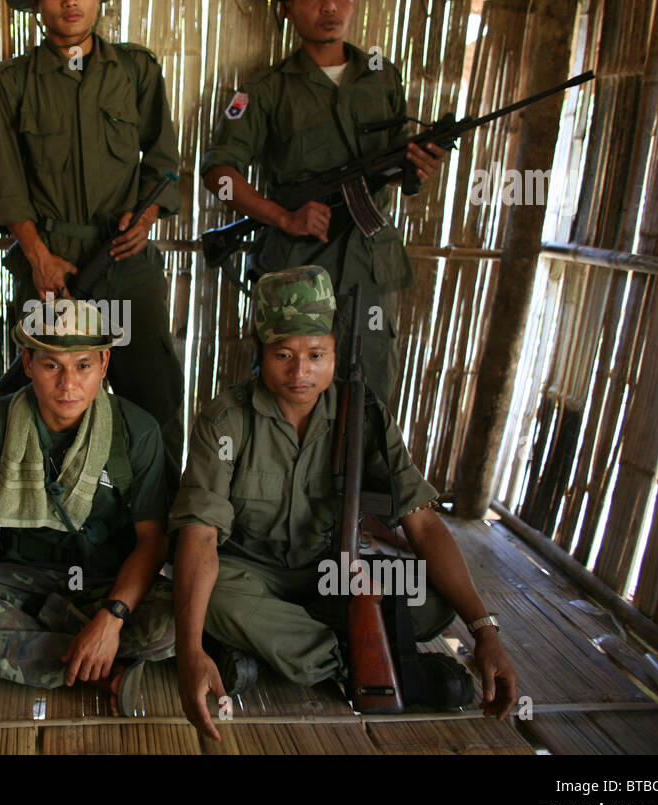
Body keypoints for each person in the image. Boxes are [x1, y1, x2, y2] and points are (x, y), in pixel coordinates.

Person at [170, 267, 517, 741]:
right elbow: (201, 534)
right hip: (252, 575)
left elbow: (424, 525)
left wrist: (484, 631)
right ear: (259, 352)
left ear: (334, 351)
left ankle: (284, 655)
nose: (300, 372)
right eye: (283, 355)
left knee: (432, 600)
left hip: (333, 574)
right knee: (211, 600)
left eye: (316, 355)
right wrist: (189, 652)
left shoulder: (364, 415)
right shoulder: (227, 419)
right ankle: (377, 664)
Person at [201, 0, 448, 404]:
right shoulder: (266, 91)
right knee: (290, 394)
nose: (329, 5)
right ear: (289, 9)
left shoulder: (382, 79)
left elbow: (400, 171)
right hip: (297, 265)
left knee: (371, 395)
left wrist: (419, 170)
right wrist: (284, 218)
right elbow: (220, 173)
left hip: (370, 264)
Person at [0, 0, 186, 480]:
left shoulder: (137, 72)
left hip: (124, 258)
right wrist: (38, 257)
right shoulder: (11, 84)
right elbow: (3, 183)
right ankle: (31, 520)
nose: (69, 0)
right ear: (39, 3)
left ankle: (162, 523)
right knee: (44, 396)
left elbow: (165, 163)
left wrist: (145, 219)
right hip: (50, 263)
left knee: (152, 391)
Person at [0, 299, 175, 716]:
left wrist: (111, 618)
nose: (68, 384)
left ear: (105, 363)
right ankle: (106, 668)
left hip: (105, 582)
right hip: (19, 577)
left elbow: (152, 542)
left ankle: (44, 646)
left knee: (177, 619)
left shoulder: (137, 430)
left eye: (83, 365)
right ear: (27, 362)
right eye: (51, 365)